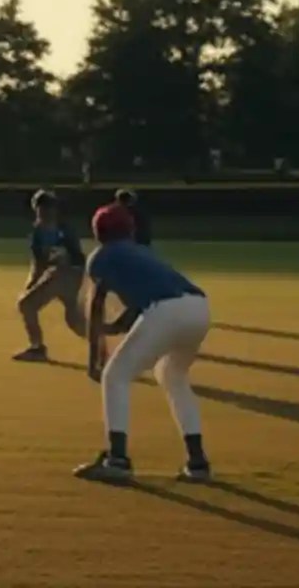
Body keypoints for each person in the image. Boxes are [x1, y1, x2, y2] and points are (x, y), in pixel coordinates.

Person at [75, 203, 211, 483]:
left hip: (166, 310)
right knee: (172, 376)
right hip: (199, 308)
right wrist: (118, 327)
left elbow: (97, 305)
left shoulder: (100, 257)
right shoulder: (143, 252)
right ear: (131, 229)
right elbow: (145, 301)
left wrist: (94, 357)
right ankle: (198, 463)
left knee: (115, 376)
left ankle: (118, 459)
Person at [13, 189, 86, 362]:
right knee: (75, 322)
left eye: (45, 208)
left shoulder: (51, 230)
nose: (43, 212)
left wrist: (32, 285)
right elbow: (39, 263)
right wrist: (33, 283)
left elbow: (46, 262)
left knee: (26, 305)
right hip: (69, 276)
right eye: (41, 208)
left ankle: (37, 348)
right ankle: (105, 347)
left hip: (66, 275)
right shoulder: (52, 229)